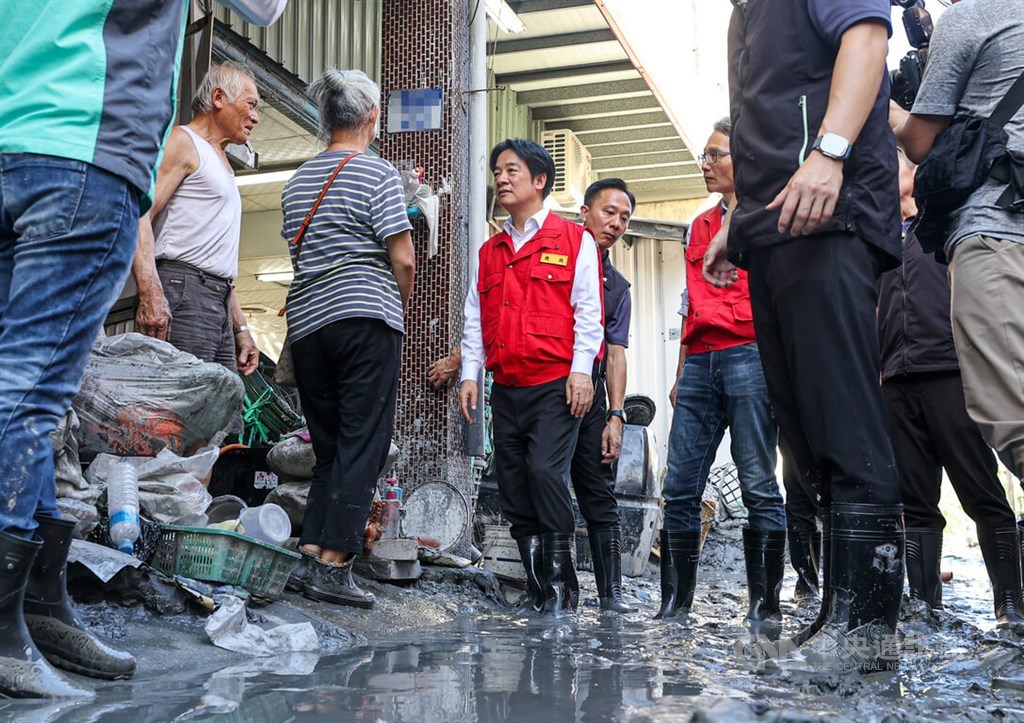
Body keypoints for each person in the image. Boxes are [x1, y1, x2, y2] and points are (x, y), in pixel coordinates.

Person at [0, 0, 286, 699]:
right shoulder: (188, 145)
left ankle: (36, 602)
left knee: (34, 394)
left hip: (15, 133)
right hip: (84, 146)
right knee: (27, 392)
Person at [705, 0, 904, 673]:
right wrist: (740, 223)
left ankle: (868, 634)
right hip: (776, 232)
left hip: (832, 216)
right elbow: (763, 122)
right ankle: (836, 615)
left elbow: (868, 37)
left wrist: (830, 152)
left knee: (845, 425)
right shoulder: (744, 17)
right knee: (804, 437)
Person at [280, 69, 415, 610]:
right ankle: (335, 563)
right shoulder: (377, 174)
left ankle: (312, 550)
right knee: (366, 442)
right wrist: (396, 304)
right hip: (364, 320)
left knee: (329, 447)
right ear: (371, 118)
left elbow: (300, 256)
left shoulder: (295, 184)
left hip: (308, 327)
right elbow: (402, 256)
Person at [878, 148, 1023, 631]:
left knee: (981, 491)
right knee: (915, 500)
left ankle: (1010, 605)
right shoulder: (882, 239)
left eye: (894, 160)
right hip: (895, 379)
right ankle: (924, 606)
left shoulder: (946, 228)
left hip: (950, 372)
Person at [459, 139, 603, 618]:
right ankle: (539, 589)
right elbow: (475, 318)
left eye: (512, 170)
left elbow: (588, 312)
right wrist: (469, 374)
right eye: (497, 171)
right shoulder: (490, 250)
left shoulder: (573, 238)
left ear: (539, 180)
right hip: (508, 388)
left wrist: (582, 373)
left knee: (545, 472)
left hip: (555, 383)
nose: (501, 178)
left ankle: (563, 587)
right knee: (515, 485)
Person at [657, 118, 787, 628]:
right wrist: (681, 371)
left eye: (716, 155)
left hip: (752, 357)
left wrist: (783, 377)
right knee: (680, 488)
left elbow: (782, 303)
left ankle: (764, 607)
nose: (705, 164)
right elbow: (690, 304)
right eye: (703, 156)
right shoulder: (698, 226)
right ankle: (674, 604)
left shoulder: (771, 216)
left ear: (746, 159)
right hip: (700, 363)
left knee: (758, 483)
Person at [892, 0, 1024, 484]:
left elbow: (920, 142)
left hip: (998, 230)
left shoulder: (973, 15)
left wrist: (882, 103)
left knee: (1011, 416)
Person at [132, 62, 260, 378]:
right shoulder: (183, 141)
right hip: (183, 288)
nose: (256, 117)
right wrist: (150, 291)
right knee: (180, 412)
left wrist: (240, 326)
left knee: (218, 413)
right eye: (251, 105)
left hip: (216, 295)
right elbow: (138, 213)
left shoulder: (222, 163)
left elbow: (216, 258)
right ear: (218, 98)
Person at [570, 178, 634, 614]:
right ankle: (556, 592)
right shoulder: (555, 258)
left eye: (624, 217)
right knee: (543, 485)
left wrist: (615, 415)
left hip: (593, 393)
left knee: (599, 493)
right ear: (585, 213)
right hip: (547, 388)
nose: (615, 223)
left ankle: (610, 598)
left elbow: (616, 353)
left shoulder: (617, 285)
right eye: (608, 212)